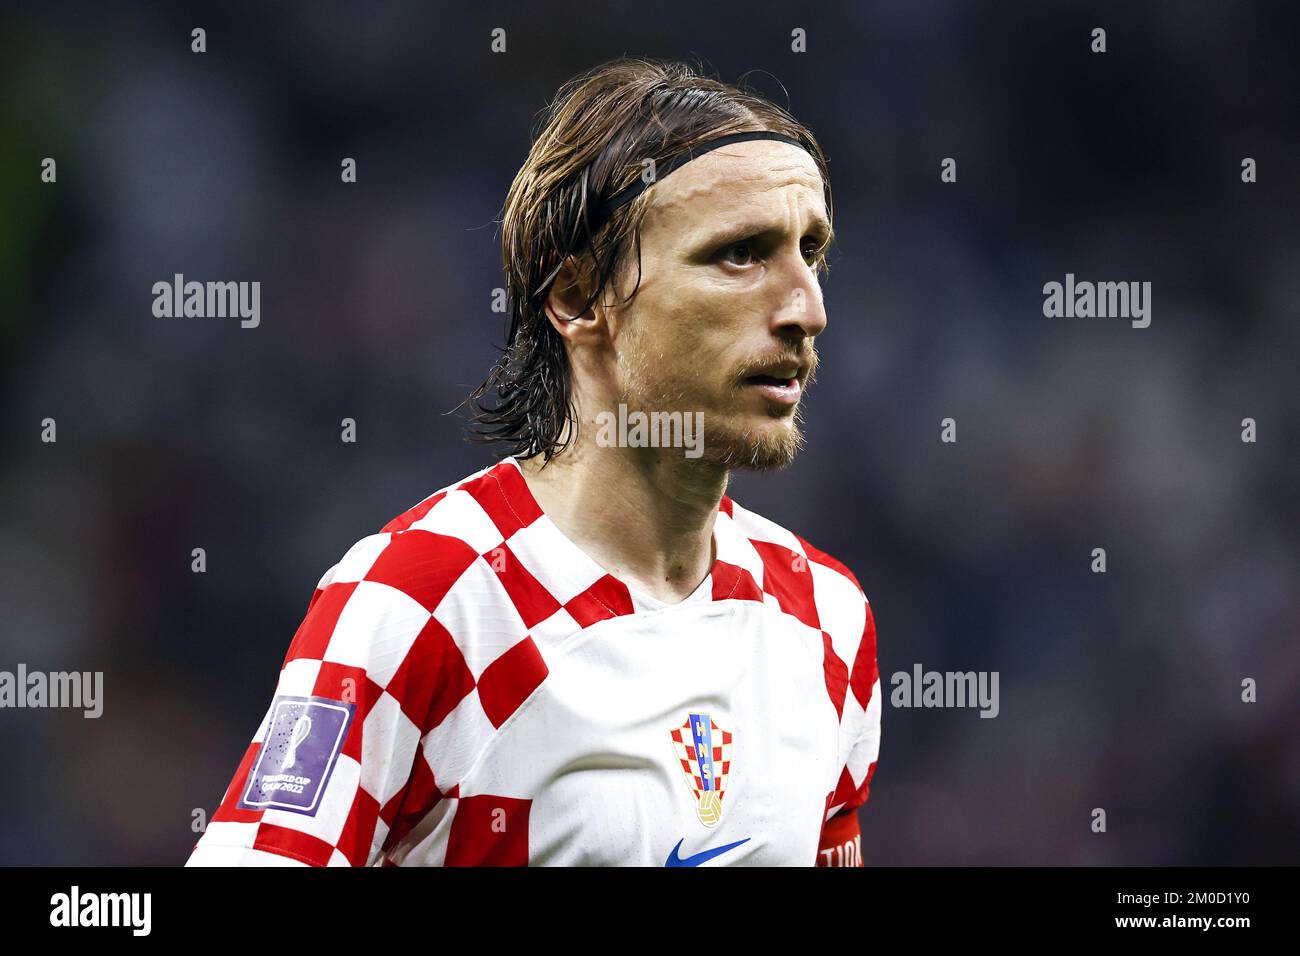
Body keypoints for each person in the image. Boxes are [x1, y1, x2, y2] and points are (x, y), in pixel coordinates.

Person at [186, 57, 880, 867]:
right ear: (579, 298)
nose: (807, 308)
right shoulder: (425, 602)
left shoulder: (824, 619)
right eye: (740, 254)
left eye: (811, 251)